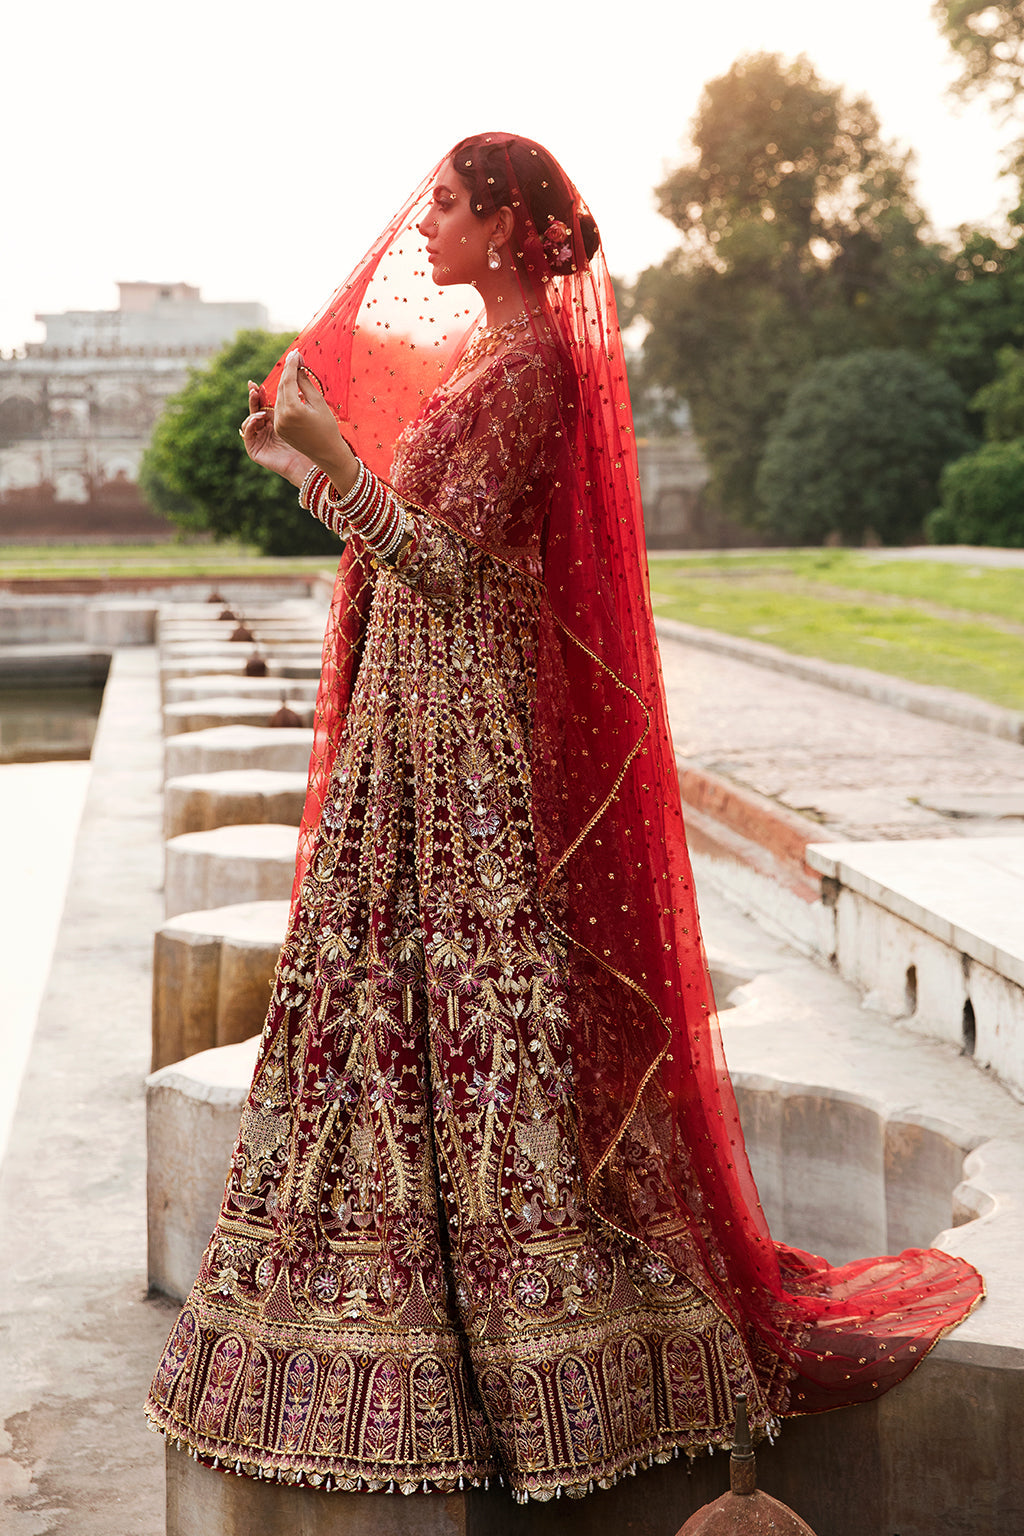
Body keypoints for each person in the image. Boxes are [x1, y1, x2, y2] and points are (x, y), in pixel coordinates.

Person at [146, 133, 982, 1504]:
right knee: (384, 1010)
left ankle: (535, 1358)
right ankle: (384, 1325)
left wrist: (331, 452)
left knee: (479, 1025)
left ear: (512, 227)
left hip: (471, 754)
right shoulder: (483, 362)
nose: (423, 235)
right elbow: (400, 535)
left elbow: (454, 568)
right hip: (411, 746)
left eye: (450, 211)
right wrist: (303, 471)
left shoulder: (538, 373)